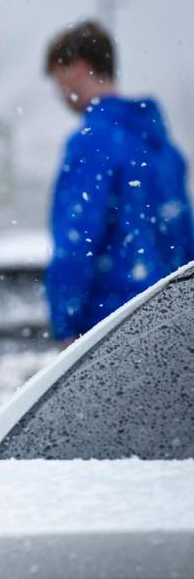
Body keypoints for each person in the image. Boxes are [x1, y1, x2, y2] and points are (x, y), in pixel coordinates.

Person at [44, 19, 194, 341]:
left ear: (79, 69)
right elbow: (185, 239)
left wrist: (65, 323)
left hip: (107, 329)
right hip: (168, 330)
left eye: (59, 80)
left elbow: (77, 239)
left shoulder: (92, 143)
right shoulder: (164, 150)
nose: (59, 94)